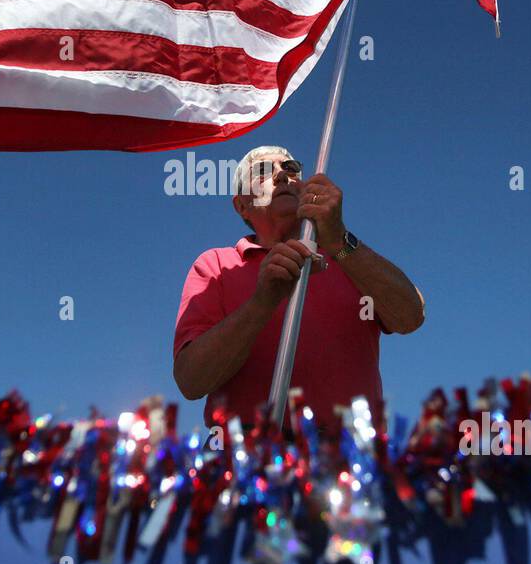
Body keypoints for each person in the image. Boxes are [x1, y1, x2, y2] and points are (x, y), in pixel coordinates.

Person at [172, 145, 425, 437]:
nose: (282, 176)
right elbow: (191, 380)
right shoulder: (217, 265)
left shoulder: (348, 259)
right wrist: (262, 303)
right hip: (248, 458)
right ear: (242, 205)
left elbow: (410, 316)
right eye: (263, 172)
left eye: (290, 168)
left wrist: (341, 242)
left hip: (349, 456)